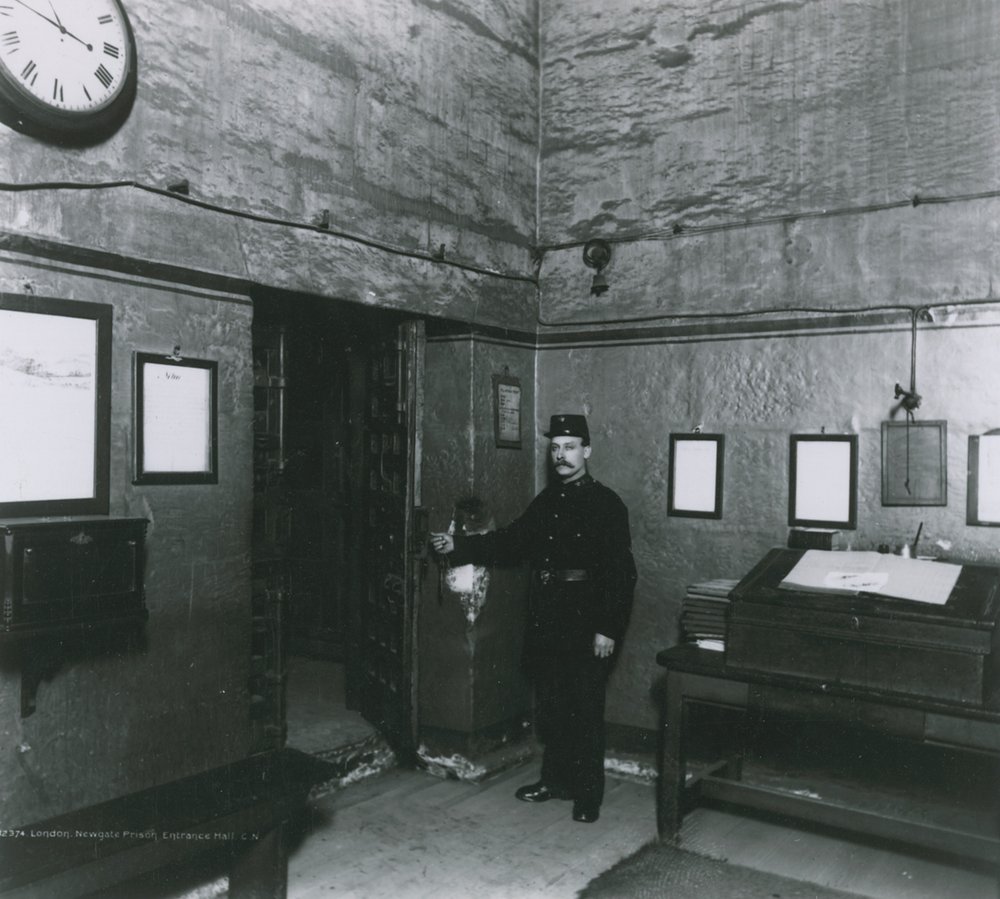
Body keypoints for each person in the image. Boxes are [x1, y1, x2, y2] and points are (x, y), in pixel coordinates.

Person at [430, 413, 637, 823]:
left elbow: (621, 574)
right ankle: (555, 782)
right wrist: (459, 545)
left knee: (585, 708)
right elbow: (510, 542)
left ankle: (588, 795)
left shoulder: (607, 504)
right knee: (554, 707)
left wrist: (607, 629)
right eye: (556, 448)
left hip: (587, 621)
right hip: (549, 617)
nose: (561, 456)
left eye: (570, 447)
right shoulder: (547, 501)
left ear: (587, 451)